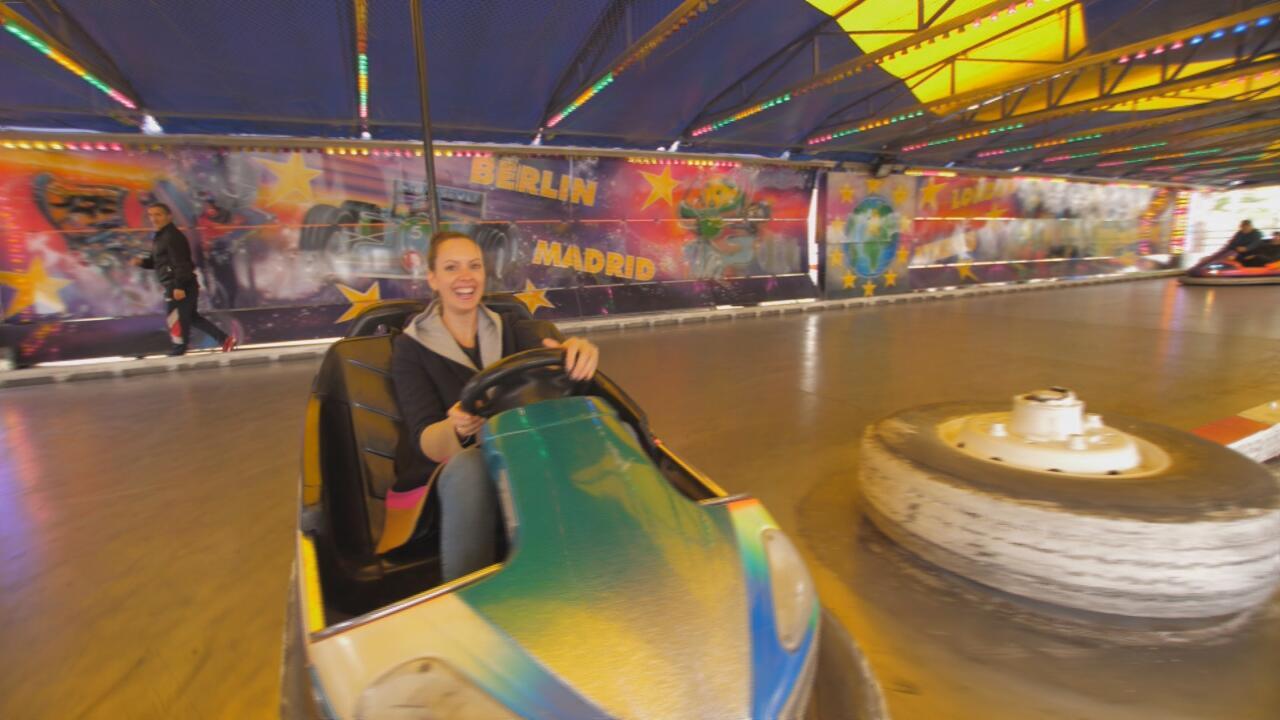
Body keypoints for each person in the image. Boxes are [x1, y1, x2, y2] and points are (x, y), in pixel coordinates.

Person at [384, 230, 598, 581]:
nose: (466, 277)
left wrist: (576, 351)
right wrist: (456, 427)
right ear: (433, 279)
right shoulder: (411, 349)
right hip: (442, 472)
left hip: (518, 450)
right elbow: (424, 438)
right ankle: (470, 593)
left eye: (474, 266)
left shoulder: (510, 327)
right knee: (472, 466)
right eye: (452, 268)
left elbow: (552, 346)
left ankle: (583, 566)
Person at [132, 203, 235, 355]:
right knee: (191, 318)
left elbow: (182, 263)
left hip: (179, 284)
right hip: (178, 283)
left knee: (175, 318)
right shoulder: (161, 236)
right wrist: (142, 263)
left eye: (158, 214)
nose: (154, 218)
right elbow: (159, 262)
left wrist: (178, 286)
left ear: (169, 216)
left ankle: (179, 349)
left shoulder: (172, 236)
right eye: (151, 215)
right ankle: (224, 339)